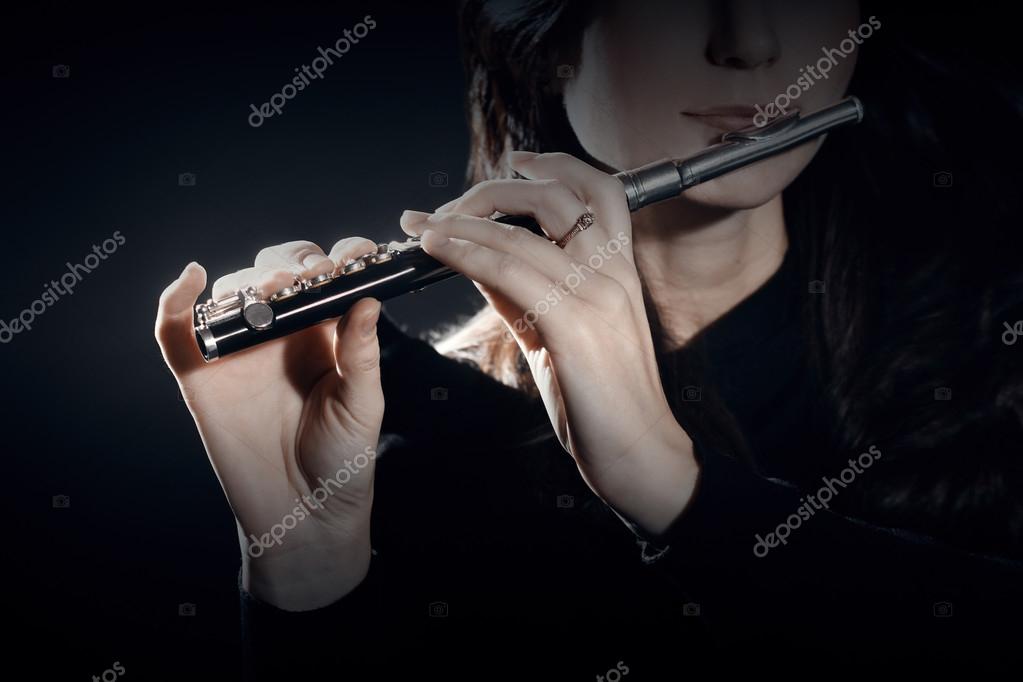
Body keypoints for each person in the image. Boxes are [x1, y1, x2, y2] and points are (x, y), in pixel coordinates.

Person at [155, 0, 1023, 676]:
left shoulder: (996, 338)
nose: (749, 42)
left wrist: (669, 481)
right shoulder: (410, 424)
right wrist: (307, 579)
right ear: (549, 41)